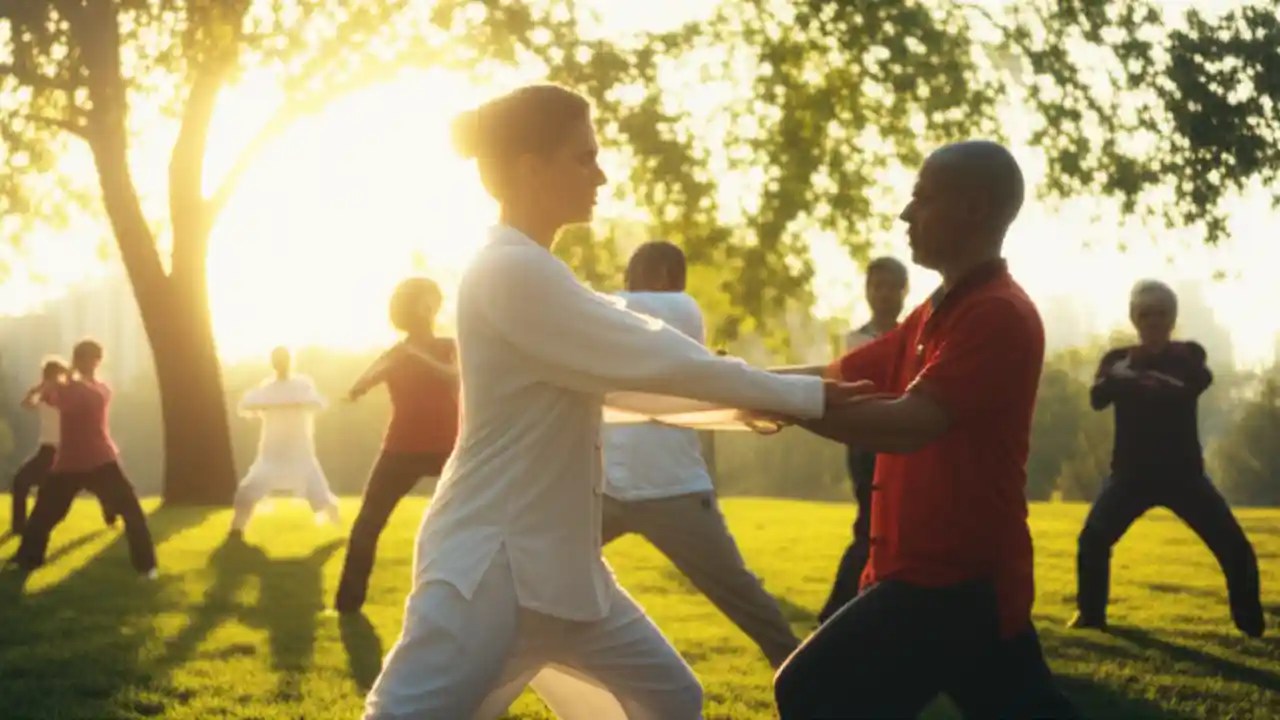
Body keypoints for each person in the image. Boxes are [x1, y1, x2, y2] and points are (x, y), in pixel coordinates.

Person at [361, 84, 857, 720]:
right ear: (529, 167)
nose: (601, 174)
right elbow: (661, 356)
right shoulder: (511, 272)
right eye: (584, 157)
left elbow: (636, 385)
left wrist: (770, 405)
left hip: (563, 578)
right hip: (489, 570)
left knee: (671, 700)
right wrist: (807, 398)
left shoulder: (533, 272)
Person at [772, 141, 1077, 718]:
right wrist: (725, 381)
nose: (905, 214)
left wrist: (775, 401)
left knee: (812, 691)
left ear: (974, 208)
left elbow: (910, 425)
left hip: (952, 584)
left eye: (922, 197)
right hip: (937, 581)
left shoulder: (996, 314)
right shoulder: (933, 314)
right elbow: (837, 375)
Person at [600, 240, 800, 669]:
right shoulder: (620, 324)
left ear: (663, 278)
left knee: (742, 597)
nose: (628, 283)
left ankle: (806, 678)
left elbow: (606, 308)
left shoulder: (679, 310)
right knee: (534, 568)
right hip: (604, 490)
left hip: (674, 492)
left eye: (637, 273)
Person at [1070, 280, 1264, 637]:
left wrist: (1133, 376)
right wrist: (1129, 374)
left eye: (1161, 313)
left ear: (1172, 317)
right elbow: (1098, 397)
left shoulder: (1189, 354)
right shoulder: (1116, 359)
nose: (1153, 321)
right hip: (1130, 475)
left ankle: (1249, 620)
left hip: (1183, 475)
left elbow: (1189, 386)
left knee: (1233, 546)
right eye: (1145, 313)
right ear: (1134, 318)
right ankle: (1091, 616)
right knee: (1093, 540)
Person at [334, 276, 460, 614]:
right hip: (401, 449)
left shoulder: (447, 347)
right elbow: (365, 379)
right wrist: (357, 388)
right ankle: (347, 605)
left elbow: (455, 377)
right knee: (367, 524)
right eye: (429, 300)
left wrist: (416, 356)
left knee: (479, 520)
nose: (435, 306)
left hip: (450, 446)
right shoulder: (395, 353)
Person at [11, 340, 157, 577]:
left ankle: (147, 566)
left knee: (132, 512)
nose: (91, 364)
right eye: (86, 359)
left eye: (92, 359)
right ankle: (28, 560)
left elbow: (83, 397)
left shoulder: (97, 389)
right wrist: (55, 384)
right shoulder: (73, 389)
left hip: (99, 460)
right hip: (71, 462)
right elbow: (49, 397)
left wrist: (63, 383)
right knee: (44, 515)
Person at [817, 255, 909, 623]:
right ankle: (837, 611)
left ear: (904, 292)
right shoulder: (855, 340)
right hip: (866, 441)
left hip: (903, 437)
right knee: (869, 525)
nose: (884, 295)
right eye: (877, 286)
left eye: (891, 287)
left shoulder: (913, 338)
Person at [229, 346, 340, 537]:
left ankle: (339, 532)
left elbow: (319, 403)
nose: (280, 364)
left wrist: (296, 403)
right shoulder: (268, 387)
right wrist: (267, 405)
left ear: (290, 362)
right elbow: (245, 405)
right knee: (246, 492)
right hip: (271, 455)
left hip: (300, 454)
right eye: (277, 360)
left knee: (320, 497)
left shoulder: (302, 384)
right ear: (273, 364)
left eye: (284, 359)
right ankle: (236, 530)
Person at [11, 358, 117, 534]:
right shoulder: (46, 395)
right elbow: (26, 404)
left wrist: (64, 379)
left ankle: (110, 511)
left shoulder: (66, 395)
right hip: (47, 449)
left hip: (62, 449)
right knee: (23, 483)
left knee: (85, 484)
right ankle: (20, 528)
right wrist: (37, 389)